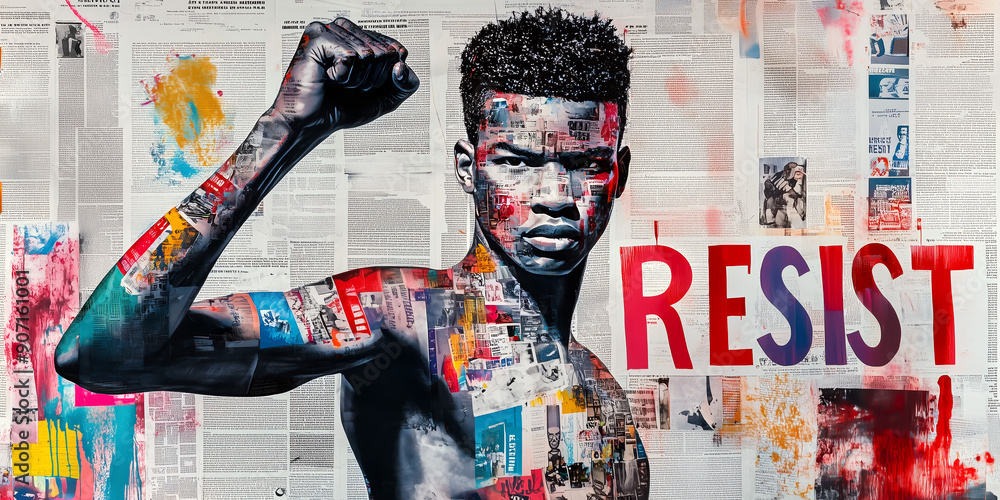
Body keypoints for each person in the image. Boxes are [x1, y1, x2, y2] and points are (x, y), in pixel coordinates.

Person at [55, 8, 649, 500]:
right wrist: (284, 129)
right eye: (516, 162)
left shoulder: (603, 393)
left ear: (617, 174)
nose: (553, 196)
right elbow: (97, 354)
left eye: (584, 165)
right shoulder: (405, 316)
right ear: (470, 170)